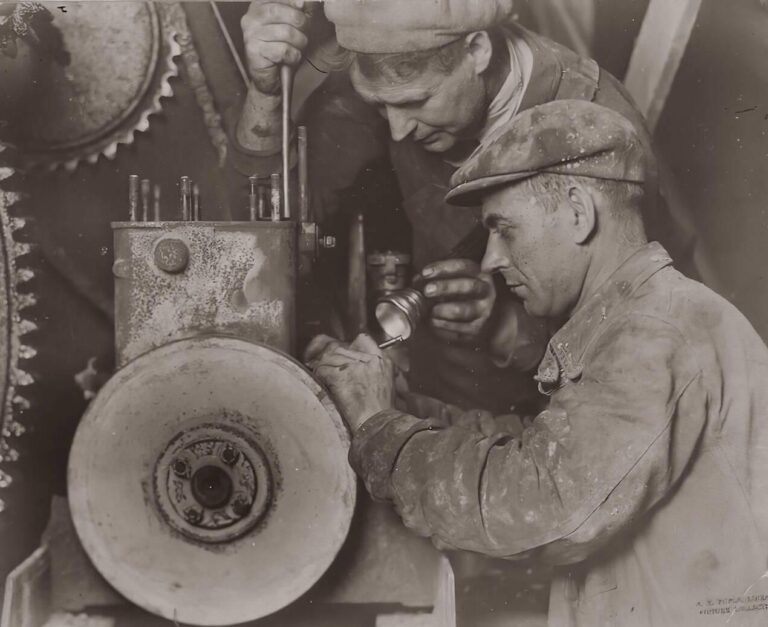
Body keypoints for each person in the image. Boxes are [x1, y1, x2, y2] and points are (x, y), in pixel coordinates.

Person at [306, 100, 768, 626]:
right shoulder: (639, 320)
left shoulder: (656, 333)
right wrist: (397, 404)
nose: (491, 261)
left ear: (578, 211)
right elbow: (544, 450)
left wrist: (381, 431)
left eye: (505, 229)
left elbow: (543, 505)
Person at [236, 0, 689, 413]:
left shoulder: (597, 127)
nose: (396, 132)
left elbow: (648, 352)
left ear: (476, 49)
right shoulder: (383, 83)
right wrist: (264, 95)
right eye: (380, 107)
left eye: (417, 102)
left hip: (556, 423)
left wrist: (505, 328)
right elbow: (254, 238)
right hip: (434, 410)